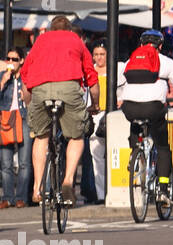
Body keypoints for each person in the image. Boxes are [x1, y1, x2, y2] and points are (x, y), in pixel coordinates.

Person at [19, 16, 98, 204]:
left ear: (50, 29)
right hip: (68, 87)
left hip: (40, 89)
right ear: (69, 30)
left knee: (41, 136)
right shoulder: (75, 41)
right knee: (76, 136)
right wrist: (95, 105)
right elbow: (91, 78)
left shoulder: (40, 41)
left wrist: (31, 105)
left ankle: (37, 187)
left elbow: (25, 78)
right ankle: (68, 181)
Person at [117, 29, 173, 206]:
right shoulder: (167, 62)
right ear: (161, 46)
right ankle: (163, 191)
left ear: (141, 44)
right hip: (154, 108)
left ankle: (134, 153)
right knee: (163, 146)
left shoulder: (130, 61)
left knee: (135, 122)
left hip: (129, 106)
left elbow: (119, 84)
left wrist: (121, 98)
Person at [0, 47, 31, 209]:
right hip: (5, 118)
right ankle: (7, 197)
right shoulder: (3, 77)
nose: (10, 62)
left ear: (21, 61)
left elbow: (30, 100)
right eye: (8, 59)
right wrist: (4, 80)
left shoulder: (26, 77)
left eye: (14, 59)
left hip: (24, 118)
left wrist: (24, 85)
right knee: (6, 163)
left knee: (24, 161)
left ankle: (21, 197)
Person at [84, 42, 109, 203]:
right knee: (96, 156)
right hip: (94, 115)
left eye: (102, 54)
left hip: (110, 114)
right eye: (96, 54)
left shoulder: (114, 70)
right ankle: (101, 194)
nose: (99, 57)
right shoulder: (89, 71)